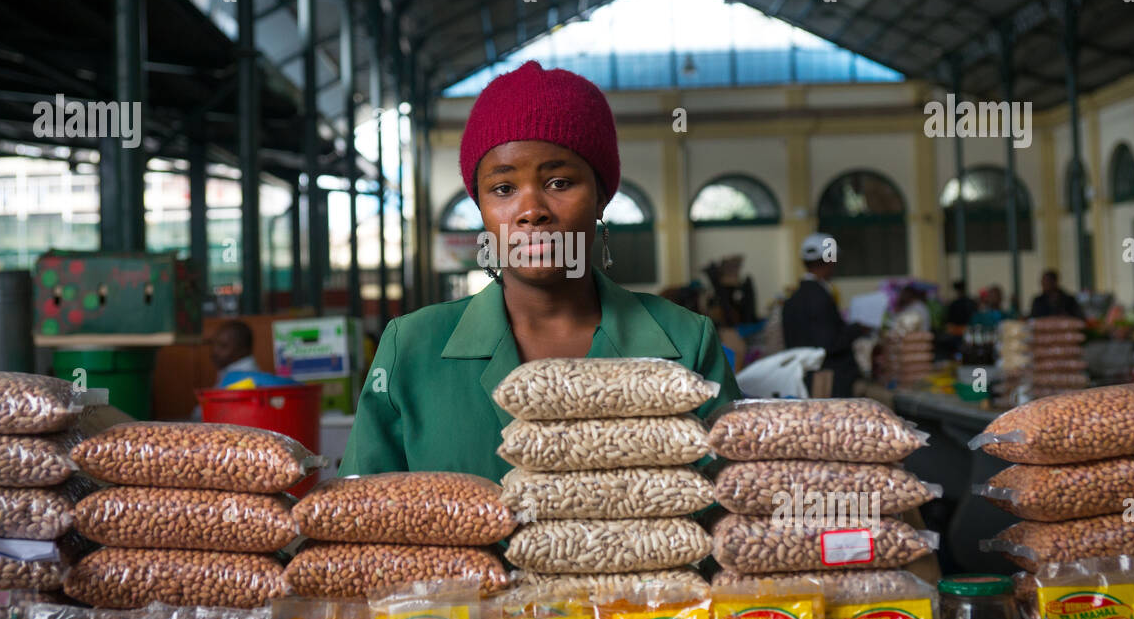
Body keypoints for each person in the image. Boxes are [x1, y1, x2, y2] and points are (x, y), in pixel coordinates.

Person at [338, 61, 741, 481]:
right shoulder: (413, 348)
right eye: (504, 189)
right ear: (481, 207)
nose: (532, 212)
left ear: (602, 197)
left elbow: (731, 515)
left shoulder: (685, 341)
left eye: (559, 183)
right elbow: (361, 518)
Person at [781, 233, 866, 397]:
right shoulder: (821, 297)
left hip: (804, 379)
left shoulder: (793, 299)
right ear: (829, 261)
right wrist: (857, 329)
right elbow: (829, 343)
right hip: (828, 381)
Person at [209, 320, 259, 384]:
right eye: (213, 344)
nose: (214, 351)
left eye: (223, 346)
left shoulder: (244, 379)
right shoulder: (228, 369)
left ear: (243, 349)